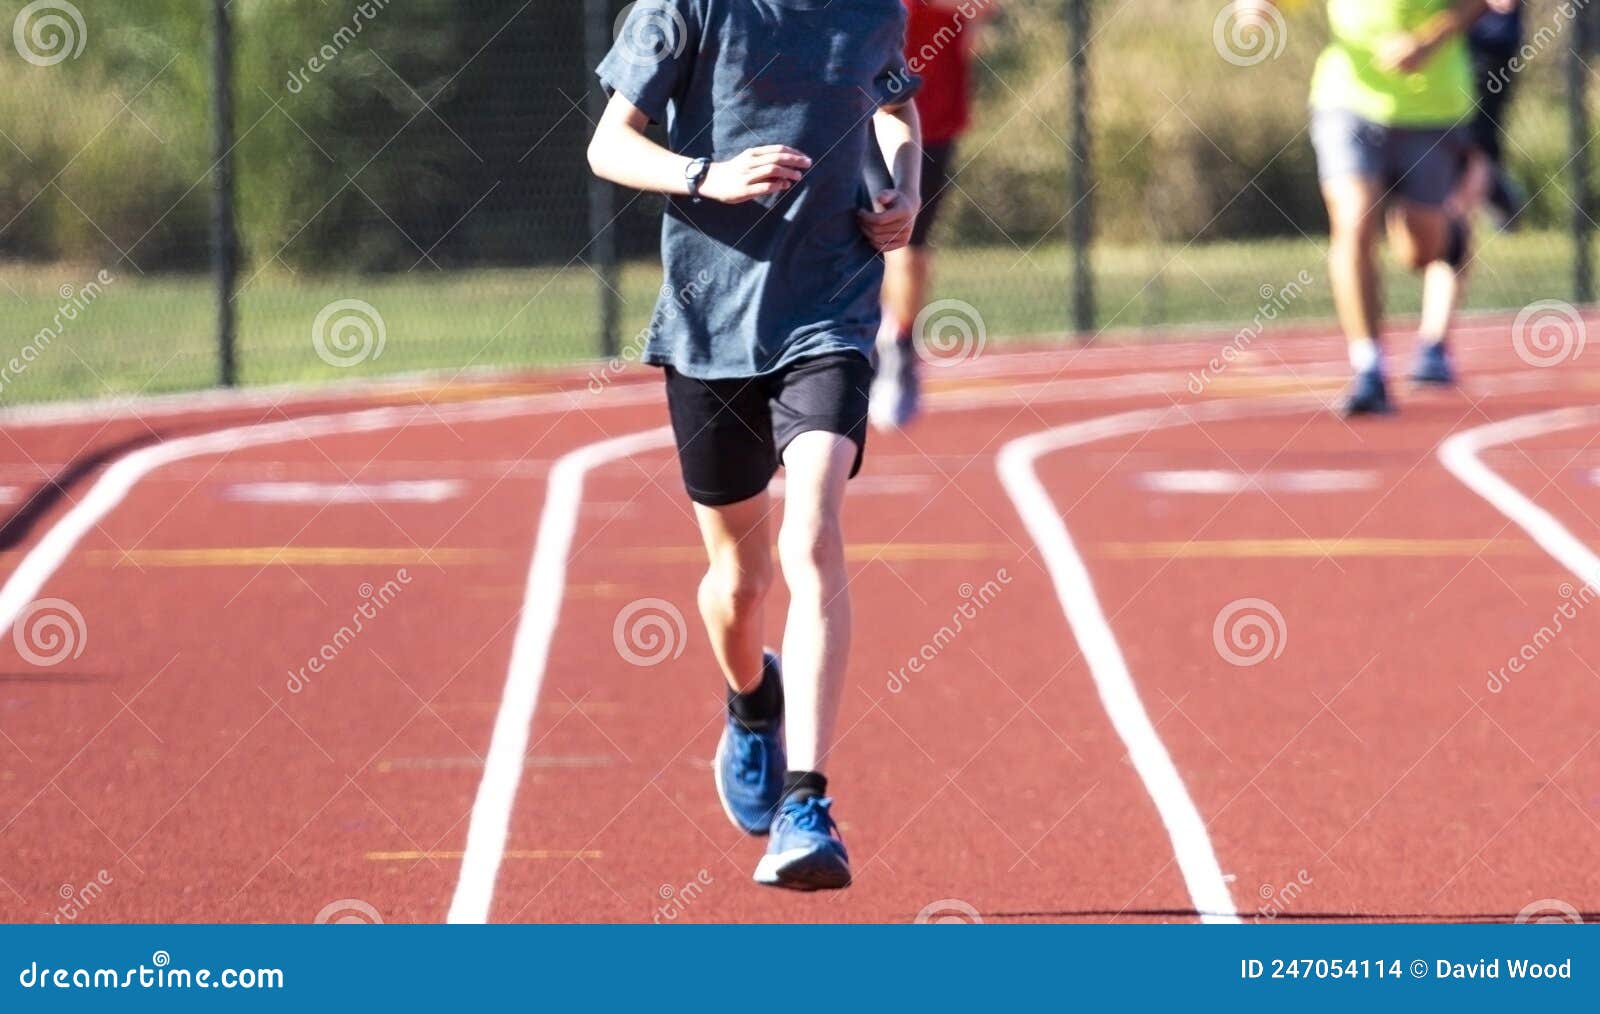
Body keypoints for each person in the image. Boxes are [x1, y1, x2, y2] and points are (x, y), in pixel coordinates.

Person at [588, 0, 921, 890]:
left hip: (832, 311)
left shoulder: (871, 11)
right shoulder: (683, 9)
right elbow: (609, 144)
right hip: (710, 323)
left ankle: (807, 802)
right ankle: (750, 703)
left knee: (810, 534)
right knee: (739, 582)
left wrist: (906, 188)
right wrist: (708, 176)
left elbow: (895, 107)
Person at [1251, 0, 1487, 414]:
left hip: (1431, 107)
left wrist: (1426, 41)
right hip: (1347, 101)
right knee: (1353, 221)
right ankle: (1369, 368)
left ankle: (1450, 234)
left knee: (1420, 251)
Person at [870, 0, 996, 431]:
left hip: (933, 116)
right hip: (862, 111)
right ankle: (868, 341)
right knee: (866, 235)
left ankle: (899, 348)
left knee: (908, 243)